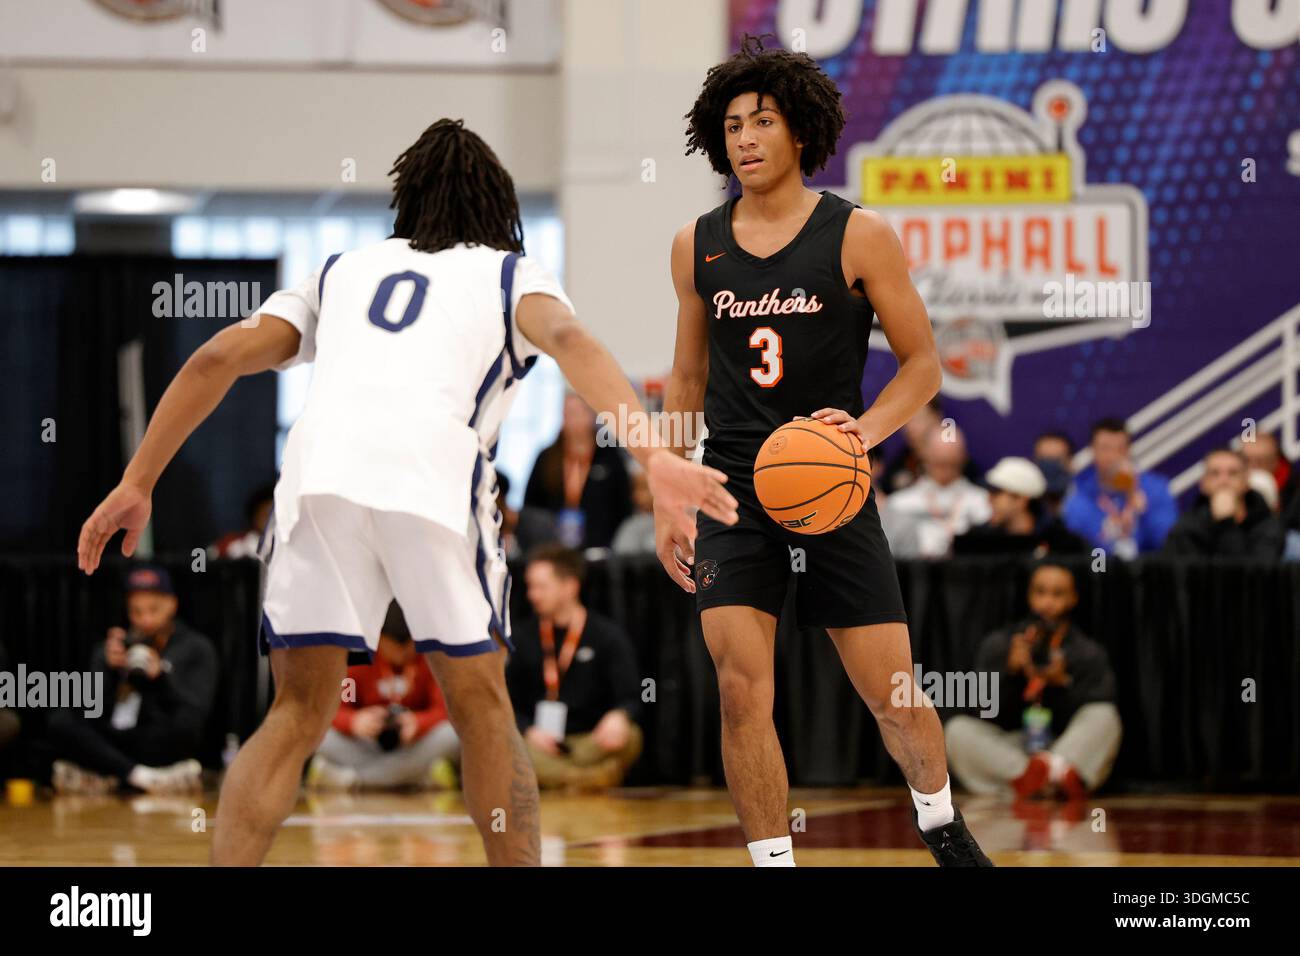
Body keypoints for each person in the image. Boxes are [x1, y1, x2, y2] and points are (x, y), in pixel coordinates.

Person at [77, 118, 738, 867]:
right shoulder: (508, 271)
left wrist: (138, 482)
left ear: (406, 199)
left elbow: (217, 356)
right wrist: (656, 455)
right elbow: (572, 343)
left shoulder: (339, 270)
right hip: (432, 477)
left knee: (295, 712)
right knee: (484, 708)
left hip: (317, 479)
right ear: (497, 204)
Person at [659, 36, 991, 866]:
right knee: (741, 691)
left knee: (893, 695)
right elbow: (688, 375)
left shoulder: (858, 234)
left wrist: (865, 434)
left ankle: (939, 819)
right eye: (732, 124)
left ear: (797, 132)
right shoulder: (695, 242)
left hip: (831, 487)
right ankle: (774, 861)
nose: (744, 138)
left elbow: (923, 365)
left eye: (761, 121)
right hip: (733, 489)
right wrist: (669, 484)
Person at [945, 563, 1122, 800]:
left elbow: (1098, 707)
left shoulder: (1086, 651)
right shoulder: (1001, 644)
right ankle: (1040, 778)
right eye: (1040, 592)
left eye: (1057, 594)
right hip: (1015, 749)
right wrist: (1010, 674)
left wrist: (1063, 684)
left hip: (1064, 745)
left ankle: (1049, 773)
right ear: (1029, 596)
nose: (1047, 603)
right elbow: (982, 711)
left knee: (1105, 716)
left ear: (1073, 599)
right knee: (957, 730)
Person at [47, 565, 216, 795]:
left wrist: (161, 677)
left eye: (153, 609)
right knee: (61, 720)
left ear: (172, 605)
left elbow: (196, 710)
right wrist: (107, 668)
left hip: (155, 739)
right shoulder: (115, 646)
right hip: (115, 739)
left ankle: (111, 775)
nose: (145, 619)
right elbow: (91, 707)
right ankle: (139, 777)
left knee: (187, 724)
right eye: (136, 611)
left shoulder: (195, 647)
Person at [506, 546, 644, 789]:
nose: (533, 595)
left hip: (589, 741)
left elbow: (637, 693)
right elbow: (505, 701)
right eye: (530, 586)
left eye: (541, 586)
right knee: (509, 746)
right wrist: (528, 730)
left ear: (570, 586)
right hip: (538, 742)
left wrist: (620, 716)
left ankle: (559, 779)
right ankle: (586, 780)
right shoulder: (520, 637)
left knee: (631, 736)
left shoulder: (606, 635)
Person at [308, 602, 460, 791]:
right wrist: (354, 721)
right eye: (394, 646)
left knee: (452, 735)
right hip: (366, 745)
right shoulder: (358, 659)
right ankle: (409, 778)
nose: (402, 653)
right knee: (320, 736)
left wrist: (418, 722)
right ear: (378, 638)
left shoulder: (431, 658)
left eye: (409, 645)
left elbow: (444, 710)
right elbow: (338, 709)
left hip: (411, 746)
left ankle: (355, 782)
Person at [525, 393, 632, 549]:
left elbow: (623, 504)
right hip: (554, 546)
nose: (572, 420)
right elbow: (532, 506)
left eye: (578, 413)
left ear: (591, 415)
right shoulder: (547, 457)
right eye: (567, 414)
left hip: (599, 547)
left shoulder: (609, 457)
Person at [1062, 417, 1176, 557]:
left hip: (1146, 572)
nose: (1113, 456)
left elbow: (1167, 543)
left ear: (1129, 450)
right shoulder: (1079, 494)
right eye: (1105, 448)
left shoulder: (1156, 488)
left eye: (1121, 449)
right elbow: (1080, 548)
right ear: (1092, 451)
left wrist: (1137, 503)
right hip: (1100, 571)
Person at [880, 427, 991, 559]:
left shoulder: (983, 502)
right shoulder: (899, 504)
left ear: (963, 459)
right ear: (924, 457)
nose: (945, 470)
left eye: (952, 464)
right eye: (939, 463)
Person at [1163, 448, 1283, 559]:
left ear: (1246, 482)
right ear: (1203, 484)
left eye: (1233, 473)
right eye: (1215, 473)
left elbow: (1257, 577)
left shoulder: (1266, 524)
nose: (1223, 481)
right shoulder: (1187, 526)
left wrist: (1227, 524)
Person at [955, 457, 1087, 556]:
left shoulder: (1060, 543)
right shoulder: (979, 541)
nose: (989, 499)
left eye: (996, 492)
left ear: (1021, 500)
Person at [209, 482, 275, 559]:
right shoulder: (236, 545)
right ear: (255, 518)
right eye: (266, 515)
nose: (271, 521)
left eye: (275, 516)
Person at [611, 460, 656, 554]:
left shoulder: (688, 522)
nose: (636, 496)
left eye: (644, 487)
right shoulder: (630, 527)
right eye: (634, 488)